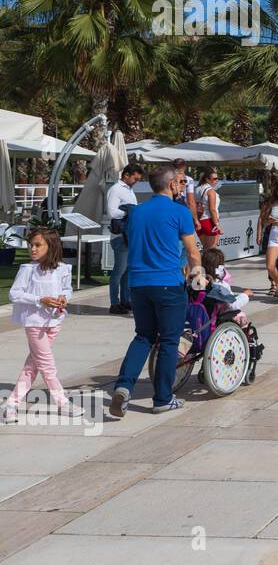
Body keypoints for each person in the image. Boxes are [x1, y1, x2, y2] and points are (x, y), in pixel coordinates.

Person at [109, 166, 202, 417]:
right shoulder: (179, 212)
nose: (183, 186)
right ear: (171, 185)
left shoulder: (137, 212)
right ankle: (162, 397)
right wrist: (199, 272)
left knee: (143, 336)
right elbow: (193, 253)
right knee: (170, 340)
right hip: (168, 283)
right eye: (181, 182)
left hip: (138, 284)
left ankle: (123, 386)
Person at [3, 228, 82, 422]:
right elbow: (14, 294)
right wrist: (40, 299)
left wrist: (64, 298)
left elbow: (67, 289)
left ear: (51, 246)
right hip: (34, 323)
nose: (33, 249)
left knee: (33, 365)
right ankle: (62, 402)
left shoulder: (63, 269)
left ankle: (11, 405)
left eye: (38, 245)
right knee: (47, 365)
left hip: (54, 321)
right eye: (31, 245)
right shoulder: (27, 270)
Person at [106, 162, 143, 315]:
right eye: (135, 178)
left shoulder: (129, 190)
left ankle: (125, 300)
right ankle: (114, 303)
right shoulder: (116, 190)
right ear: (126, 175)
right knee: (119, 270)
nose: (137, 181)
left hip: (129, 234)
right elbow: (112, 212)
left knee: (127, 271)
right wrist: (129, 213)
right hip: (120, 236)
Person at [195, 168, 223, 250]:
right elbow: (212, 209)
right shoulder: (211, 191)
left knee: (206, 249)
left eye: (217, 178)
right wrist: (217, 225)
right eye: (214, 179)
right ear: (207, 179)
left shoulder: (197, 189)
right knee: (212, 250)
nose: (217, 181)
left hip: (199, 221)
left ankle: (203, 262)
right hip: (209, 221)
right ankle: (209, 263)